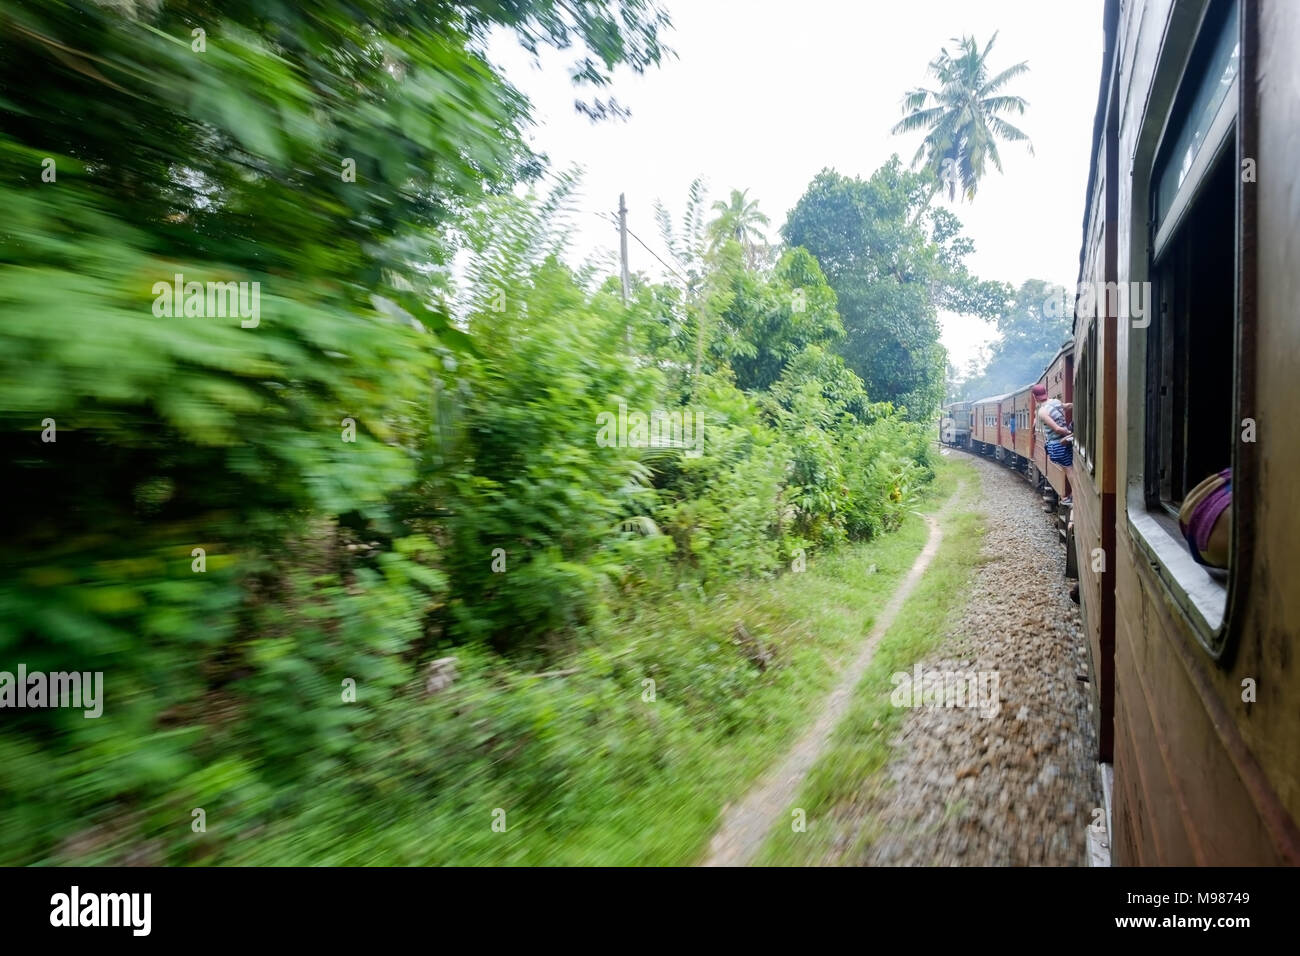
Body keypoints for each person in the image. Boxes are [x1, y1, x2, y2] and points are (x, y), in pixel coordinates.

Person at [1033, 383, 1073, 506]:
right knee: (1070, 469)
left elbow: (1057, 429)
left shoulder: (1042, 412)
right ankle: (1072, 496)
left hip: (1056, 445)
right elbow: (1066, 406)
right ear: (1046, 392)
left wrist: (1069, 433)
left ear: (1035, 397)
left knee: (1069, 469)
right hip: (1061, 444)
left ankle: (1072, 496)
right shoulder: (1056, 402)